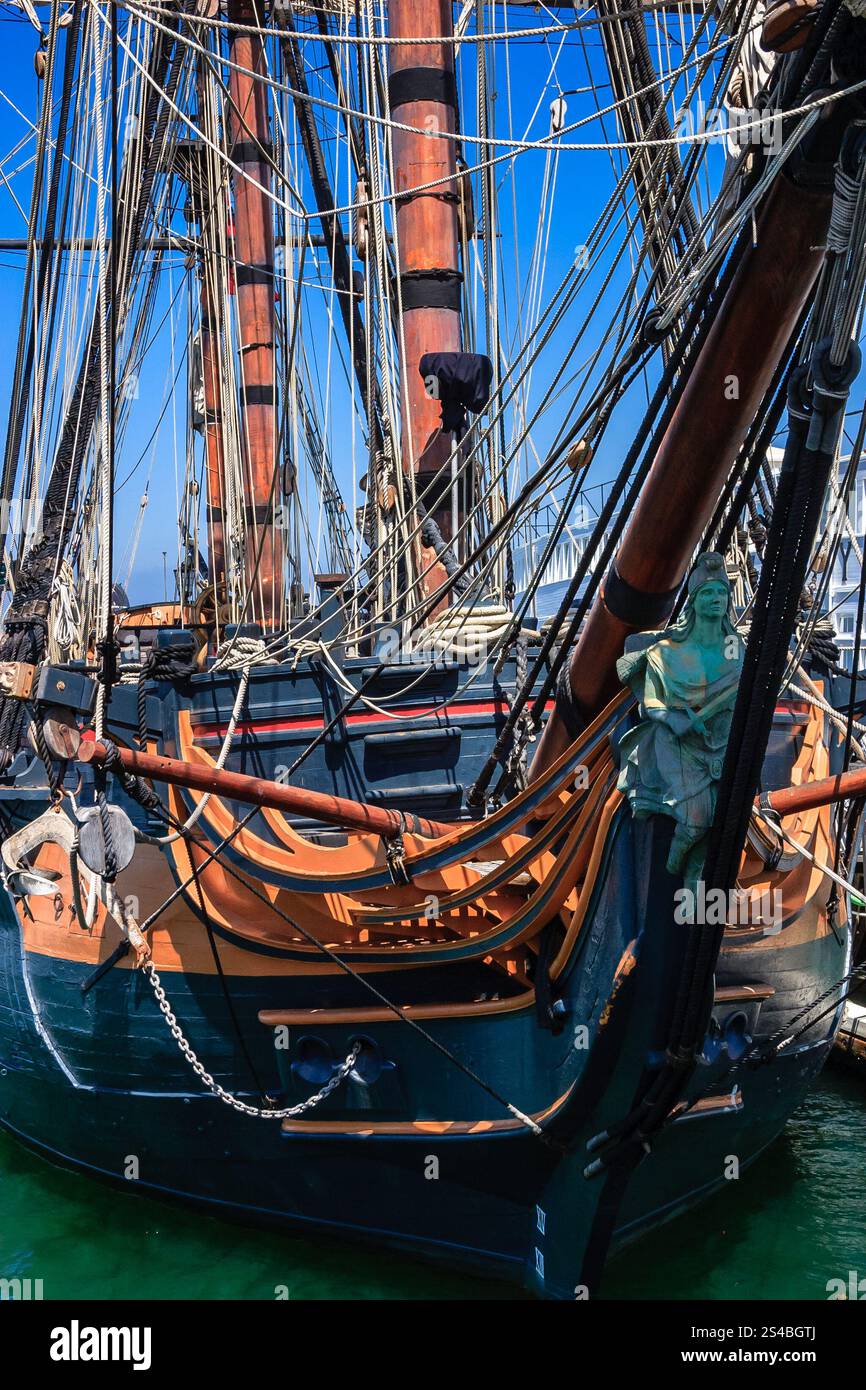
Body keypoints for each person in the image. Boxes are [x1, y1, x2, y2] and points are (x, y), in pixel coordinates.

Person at [615, 552, 743, 890]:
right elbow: (650, 705)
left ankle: (692, 882)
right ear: (694, 601)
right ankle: (674, 865)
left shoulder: (734, 647)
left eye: (721, 593)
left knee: (721, 819)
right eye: (708, 593)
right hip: (678, 745)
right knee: (696, 819)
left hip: (723, 741)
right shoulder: (666, 653)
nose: (716, 600)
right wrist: (673, 719)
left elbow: (742, 686)